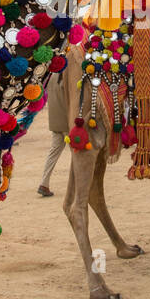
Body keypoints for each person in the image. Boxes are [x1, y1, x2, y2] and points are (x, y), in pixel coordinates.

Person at [39, 45, 82, 196]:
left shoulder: (51, 76)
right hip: (66, 121)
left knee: (53, 153)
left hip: (55, 120)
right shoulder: (67, 76)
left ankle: (44, 183)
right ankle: (79, 186)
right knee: (77, 153)